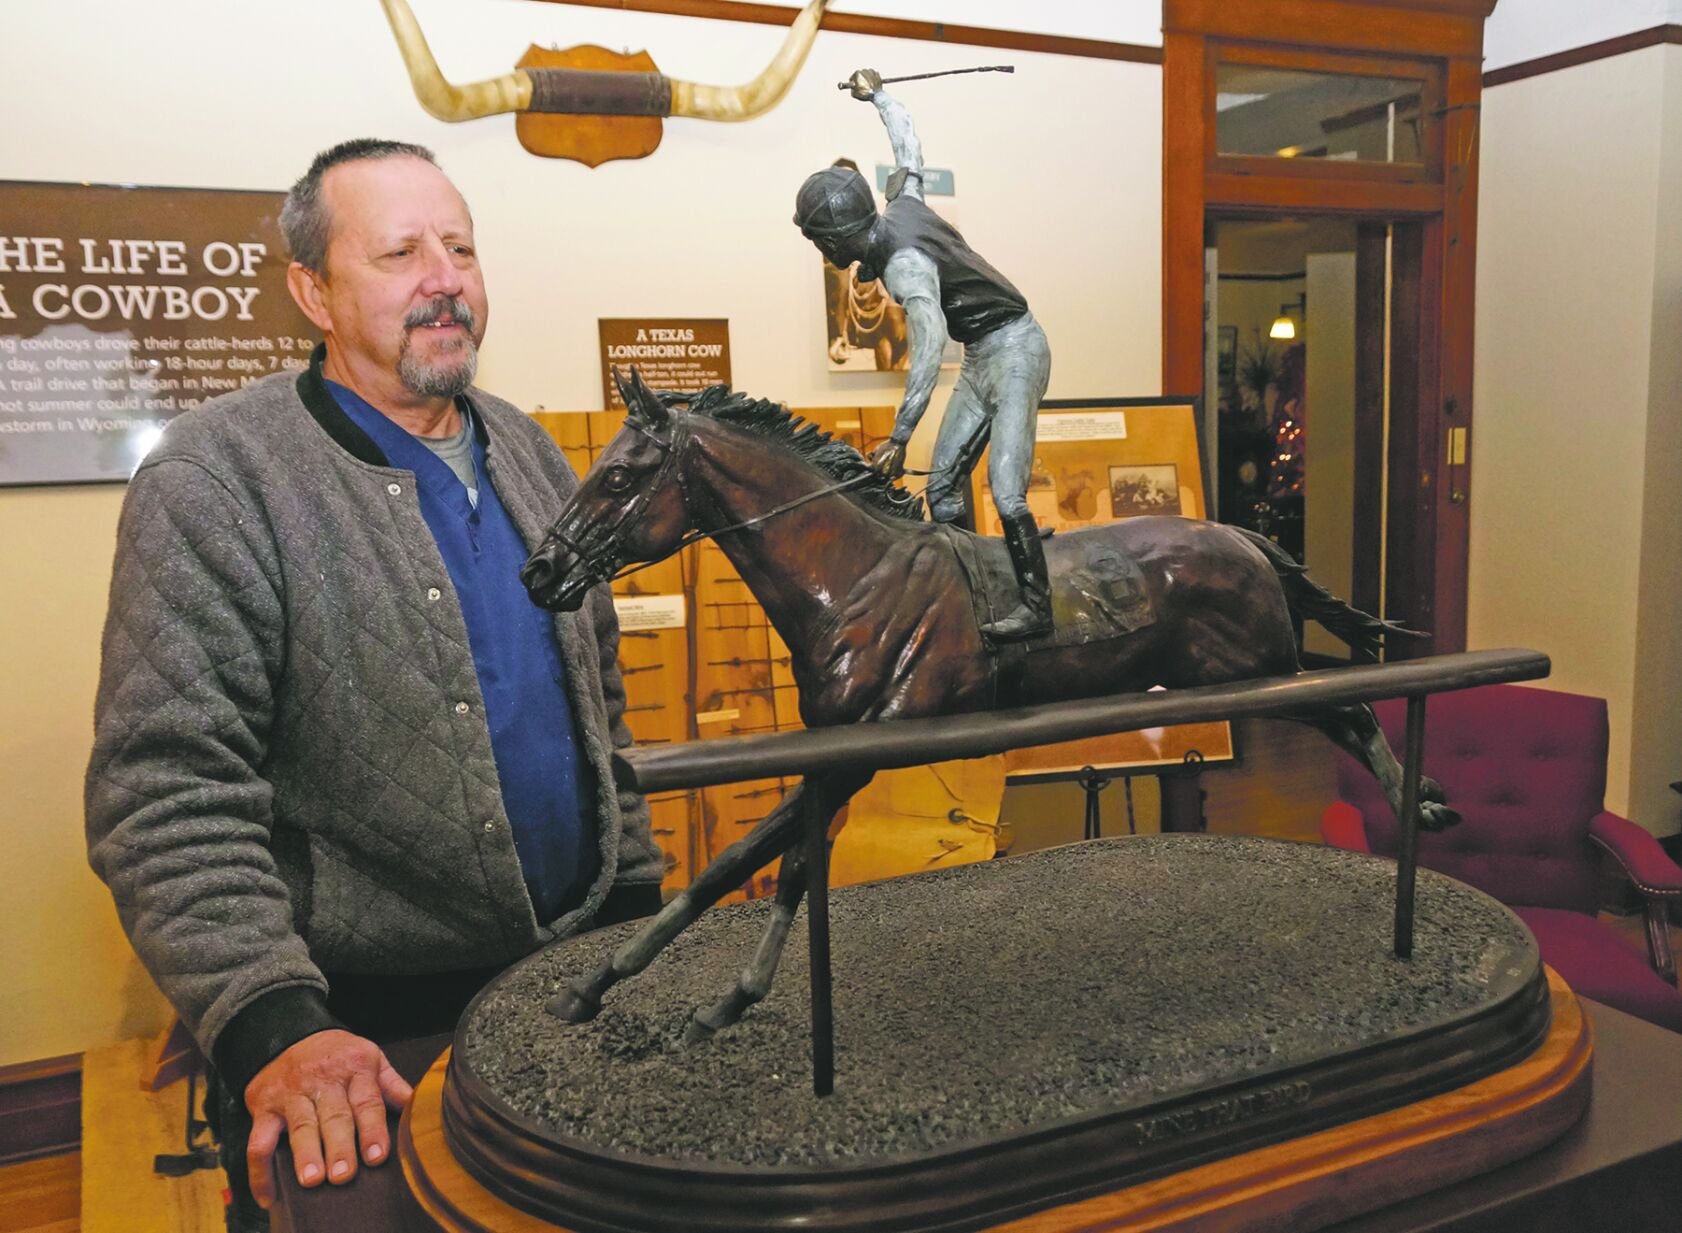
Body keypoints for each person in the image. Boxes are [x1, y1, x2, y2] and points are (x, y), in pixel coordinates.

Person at [84, 138, 664, 1230]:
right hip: (362, 1030)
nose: (443, 277)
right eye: (399, 252)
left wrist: (635, 923)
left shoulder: (533, 454)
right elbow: (167, 798)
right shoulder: (217, 481)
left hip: (569, 987)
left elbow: (603, 721)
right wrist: (275, 1026)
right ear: (313, 291)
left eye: (460, 247)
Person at [793, 68, 1054, 641]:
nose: (821, 251)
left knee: (1006, 490)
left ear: (835, 240)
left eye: (818, 243)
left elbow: (931, 343)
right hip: (983, 354)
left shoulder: (905, 264)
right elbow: (907, 144)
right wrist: (878, 95)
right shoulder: (903, 203)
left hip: (1015, 351)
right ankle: (978, 588)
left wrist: (900, 435)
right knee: (940, 489)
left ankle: (1037, 607)